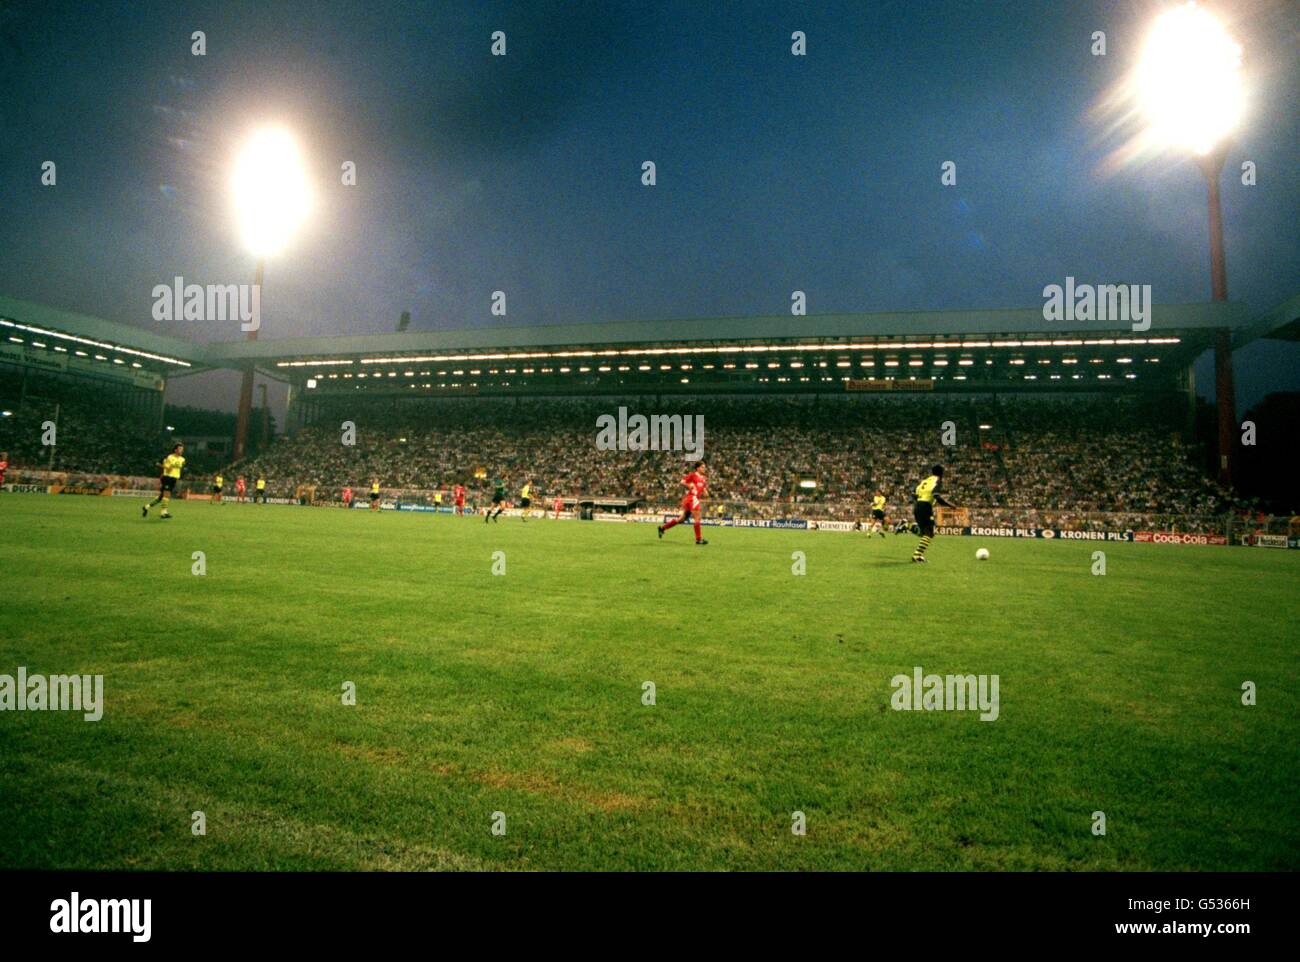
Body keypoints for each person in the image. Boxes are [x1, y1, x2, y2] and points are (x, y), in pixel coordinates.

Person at [658, 462, 708, 545]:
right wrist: (688, 486)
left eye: (704, 467)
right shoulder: (692, 475)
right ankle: (699, 539)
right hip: (692, 498)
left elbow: (703, 487)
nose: (704, 469)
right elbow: (682, 482)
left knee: (681, 519)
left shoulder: (704, 478)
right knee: (697, 518)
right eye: (703, 467)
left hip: (691, 499)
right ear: (698, 468)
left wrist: (705, 492)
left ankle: (662, 528)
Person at [911, 464, 953, 563]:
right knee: (929, 533)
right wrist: (949, 505)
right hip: (925, 506)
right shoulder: (937, 480)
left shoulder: (925, 481)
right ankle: (917, 556)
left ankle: (907, 526)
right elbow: (936, 494)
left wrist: (919, 503)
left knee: (924, 533)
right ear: (941, 473)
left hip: (918, 505)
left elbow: (914, 494)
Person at [143, 443, 185, 520]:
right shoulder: (169, 457)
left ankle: (146, 507)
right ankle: (163, 512)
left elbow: (180, 466)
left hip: (174, 478)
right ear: (175, 450)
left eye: (182, 449)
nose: (181, 450)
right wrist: (165, 468)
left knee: (162, 497)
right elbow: (159, 464)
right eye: (180, 449)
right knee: (167, 494)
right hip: (167, 477)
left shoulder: (182, 459)